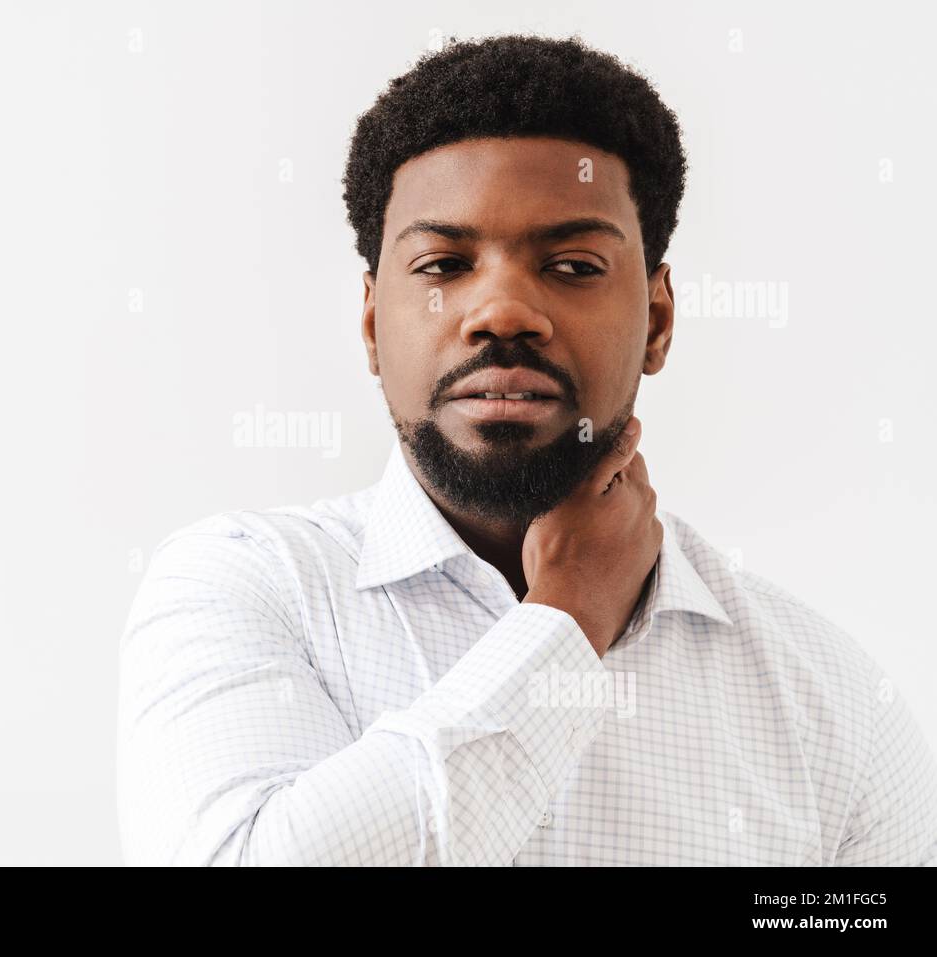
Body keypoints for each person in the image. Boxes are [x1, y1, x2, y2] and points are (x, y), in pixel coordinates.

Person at [116, 34, 937, 866]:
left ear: (658, 320)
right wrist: (570, 614)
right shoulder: (245, 590)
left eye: (574, 265)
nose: (503, 311)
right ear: (371, 325)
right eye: (443, 263)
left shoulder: (832, 705)